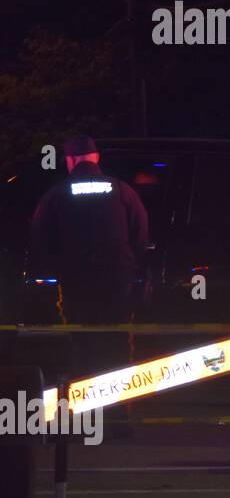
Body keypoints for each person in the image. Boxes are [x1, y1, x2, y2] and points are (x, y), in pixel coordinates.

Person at [29, 135, 149, 365]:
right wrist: (131, 264)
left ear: (71, 161)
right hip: (117, 278)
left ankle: (85, 391)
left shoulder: (57, 193)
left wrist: (56, 266)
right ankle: (118, 394)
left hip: (77, 279)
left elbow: (40, 235)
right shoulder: (122, 190)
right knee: (116, 340)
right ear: (97, 158)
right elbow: (141, 231)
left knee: (82, 341)